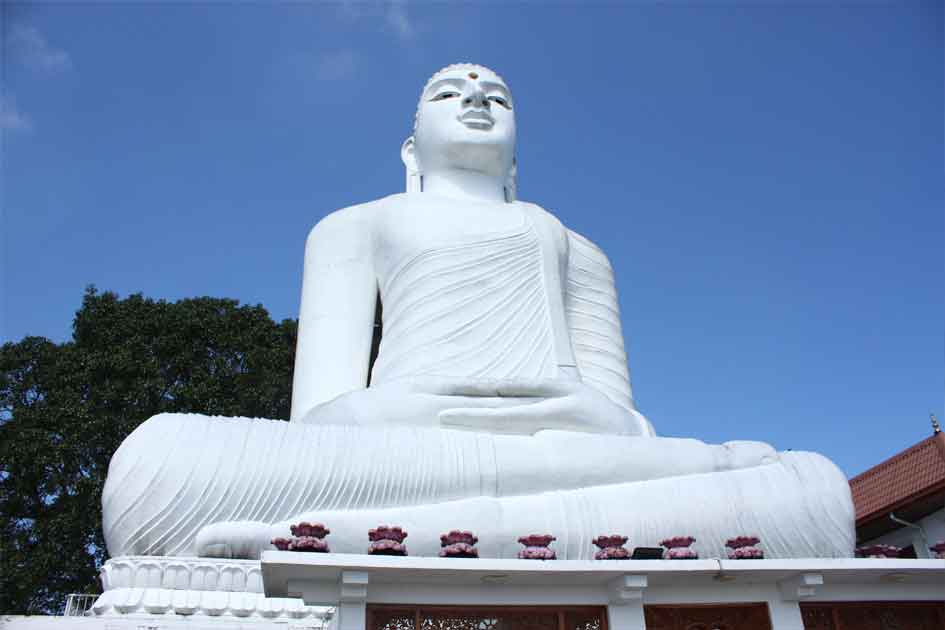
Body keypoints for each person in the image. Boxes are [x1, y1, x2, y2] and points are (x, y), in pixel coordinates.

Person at [102, 64, 854, 561]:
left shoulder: (571, 244)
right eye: (448, 92)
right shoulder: (355, 225)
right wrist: (391, 411)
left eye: (496, 96)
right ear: (409, 146)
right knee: (160, 461)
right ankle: (708, 475)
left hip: (573, 444)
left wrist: (600, 424)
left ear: (517, 151)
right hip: (397, 444)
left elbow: (624, 421)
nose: (474, 100)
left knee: (809, 489)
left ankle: (705, 472)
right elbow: (319, 418)